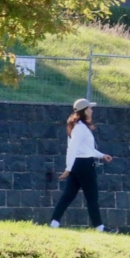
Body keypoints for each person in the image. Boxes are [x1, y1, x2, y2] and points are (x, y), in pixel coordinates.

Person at [50, 98, 113, 231]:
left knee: (68, 195)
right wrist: (68, 168)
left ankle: (54, 223)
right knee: (92, 197)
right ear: (84, 111)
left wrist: (102, 155)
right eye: (90, 108)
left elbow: (86, 149)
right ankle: (100, 227)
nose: (92, 110)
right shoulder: (80, 128)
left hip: (78, 164)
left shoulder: (79, 127)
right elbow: (72, 148)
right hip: (84, 165)